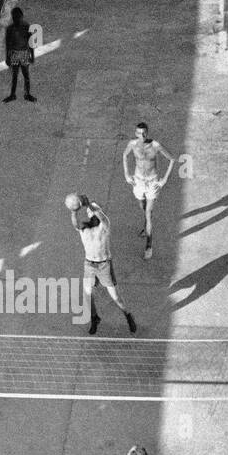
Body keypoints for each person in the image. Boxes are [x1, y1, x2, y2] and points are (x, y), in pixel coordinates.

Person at [64, 192, 137, 336]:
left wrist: (89, 204)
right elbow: (75, 223)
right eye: (90, 212)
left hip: (104, 266)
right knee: (87, 296)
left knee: (116, 297)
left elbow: (101, 216)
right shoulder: (84, 229)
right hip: (89, 265)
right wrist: (73, 212)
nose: (91, 213)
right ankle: (94, 318)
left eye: (94, 211)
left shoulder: (104, 227)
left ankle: (128, 315)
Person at [123, 119, 175, 260]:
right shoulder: (132, 144)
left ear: (147, 133)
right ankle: (146, 226)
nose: (143, 136)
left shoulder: (155, 145)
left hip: (152, 182)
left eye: (145, 133)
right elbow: (125, 156)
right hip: (138, 181)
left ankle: (149, 245)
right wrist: (127, 174)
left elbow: (172, 159)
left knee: (148, 213)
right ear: (136, 133)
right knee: (142, 207)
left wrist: (164, 179)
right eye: (140, 133)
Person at [3, 6, 37, 103]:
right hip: (14, 53)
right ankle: (13, 94)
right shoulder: (10, 29)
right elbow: (8, 44)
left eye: (18, 17)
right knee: (15, 75)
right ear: (13, 18)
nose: (16, 19)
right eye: (14, 18)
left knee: (26, 75)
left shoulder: (26, 27)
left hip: (24, 53)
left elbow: (30, 43)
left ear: (21, 17)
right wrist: (7, 57)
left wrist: (32, 56)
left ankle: (27, 94)